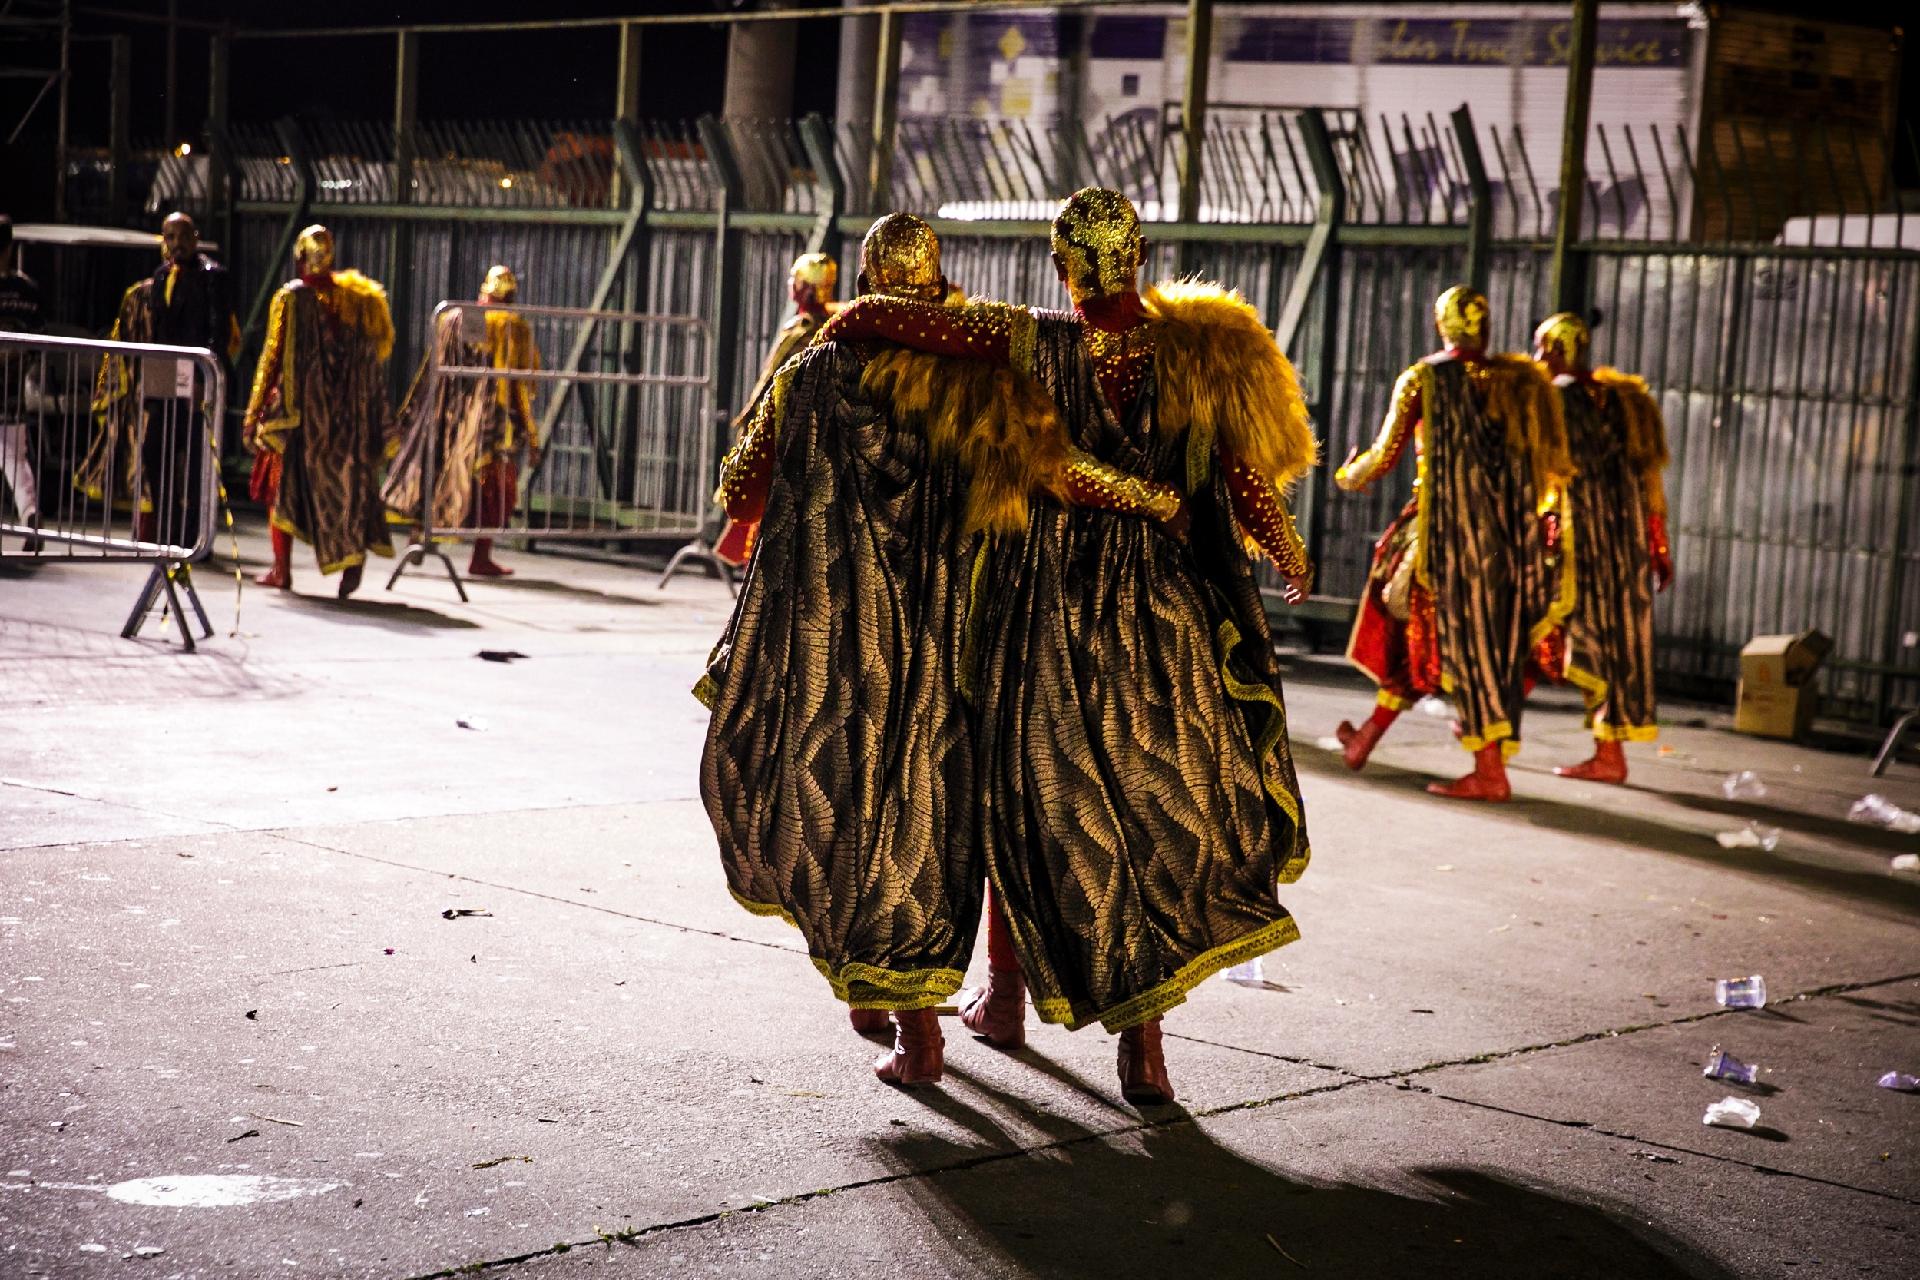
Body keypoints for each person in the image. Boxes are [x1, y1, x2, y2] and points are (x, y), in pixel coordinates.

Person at [821, 188, 1316, 1105]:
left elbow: (872, 318)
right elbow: (1243, 475)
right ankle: (1143, 1054)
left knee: (1028, 809)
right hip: (1159, 615)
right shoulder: (1195, 348)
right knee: (1137, 816)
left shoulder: (1032, 337)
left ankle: (1001, 999)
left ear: (1061, 263)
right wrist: (1285, 551)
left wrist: (862, 305)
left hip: (1041, 610)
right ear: (1139, 254)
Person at [701, 212, 1186, 1089]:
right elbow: (1053, 471)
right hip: (975, 636)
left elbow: (738, 487)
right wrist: (1151, 502)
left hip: (851, 642)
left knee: (871, 816)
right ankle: (1057, 1011)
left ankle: (912, 1037)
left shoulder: (810, 369)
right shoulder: (987, 376)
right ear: (936, 285)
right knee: (1015, 822)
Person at [1332, 286, 1572, 801]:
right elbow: (1548, 466)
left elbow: (1385, 453)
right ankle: (1365, 741)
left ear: (1442, 325)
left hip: (1441, 544)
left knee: (1463, 647)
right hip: (1506, 542)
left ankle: (1490, 773)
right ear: (1486, 326)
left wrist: (1348, 474)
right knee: (1429, 641)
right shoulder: (1520, 383)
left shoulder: (1424, 378)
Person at [1532, 312, 1672, 781]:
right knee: (1615, 643)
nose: (1536, 359)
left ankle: (1486, 724)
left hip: (1582, 545)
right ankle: (1607, 751)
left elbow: (1540, 472)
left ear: (1556, 349)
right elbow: (1650, 475)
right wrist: (1657, 541)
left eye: (1541, 348)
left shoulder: (1554, 399)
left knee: (1543, 627)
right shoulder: (1626, 400)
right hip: (1627, 544)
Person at [243, 224, 395, 597]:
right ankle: (352, 562)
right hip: (348, 419)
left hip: (298, 416)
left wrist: (253, 414)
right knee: (347, 489)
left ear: (299, 257)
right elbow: (371, 365)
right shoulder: (360, 300)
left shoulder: (291, 297)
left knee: (283, 489)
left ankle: (282, 570)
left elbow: (271, 359)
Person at [77, 211, 238, 551]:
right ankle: (166, 528)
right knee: (154, 450)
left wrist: (204, 379)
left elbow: (217, 333)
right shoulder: (160, 277)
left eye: (182, 237)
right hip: (166, 377)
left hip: (197, 377)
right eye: (170, 237)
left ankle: (192, 536)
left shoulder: (213, 277)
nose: (177, 245)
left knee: (195, 462)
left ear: (195, 237)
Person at [383, 265, 541, 579]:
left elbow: (431, 368)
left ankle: (419, 535)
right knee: (493, 485)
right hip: (491, 420)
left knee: (439, 472)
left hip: (447, 414)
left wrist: (412, 410)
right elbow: (518, 384)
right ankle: (480, 556)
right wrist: (530, 433)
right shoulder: (512, 326)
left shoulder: (452, 317)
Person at [715, 252, 838, 566]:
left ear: (805, 286)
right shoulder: (825, 327)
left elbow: (778, 389)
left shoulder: (807, 332)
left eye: (794, 279)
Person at [0, 214, 46, 553]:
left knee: (12, 457)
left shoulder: (26, 289)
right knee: (15, 458)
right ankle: (30, 515)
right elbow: (39, 339)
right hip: (13, 388)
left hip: (9, 388)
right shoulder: (28, 290)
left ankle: (31, 516)